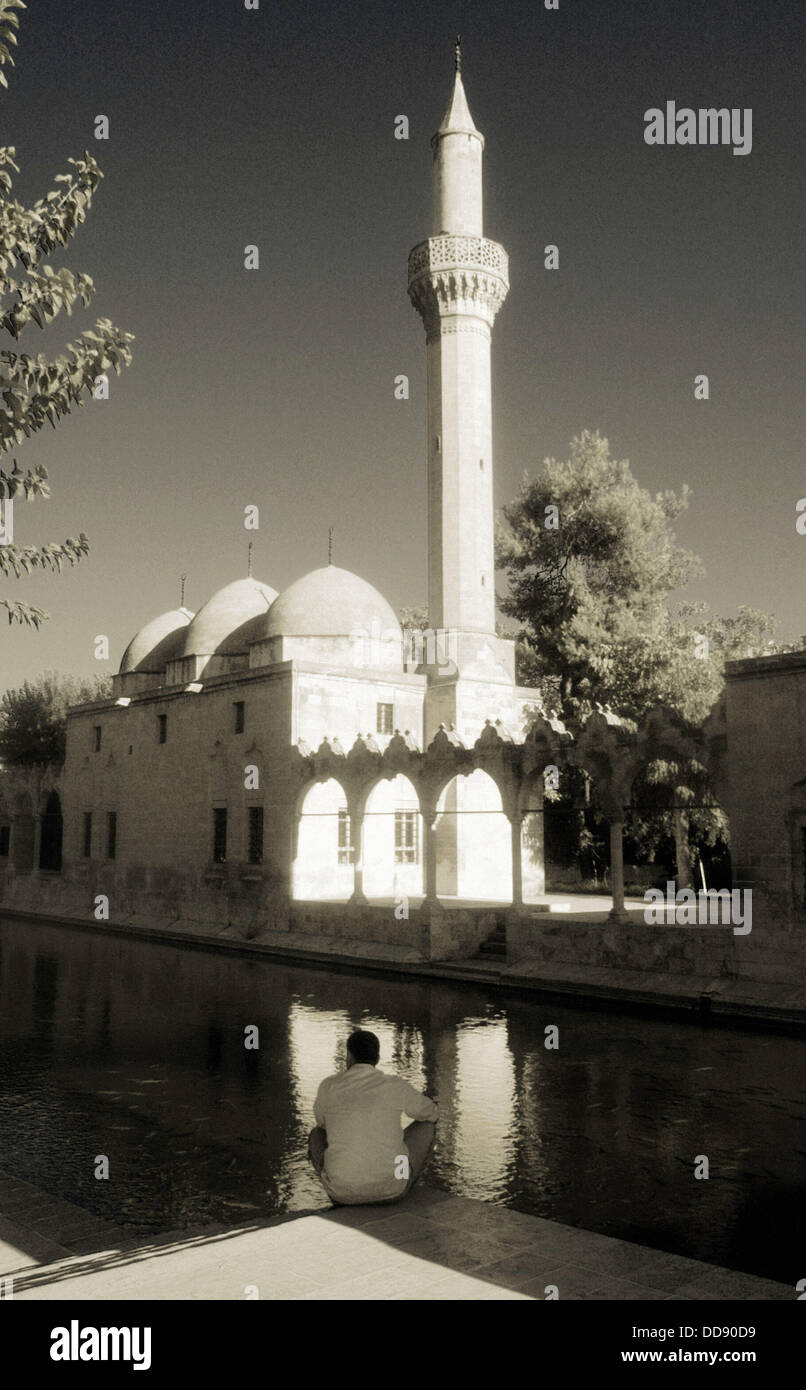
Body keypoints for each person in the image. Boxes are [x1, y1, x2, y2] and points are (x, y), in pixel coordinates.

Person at [308, 1028, 437, 1206]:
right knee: (427, 1125)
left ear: (349, 1057)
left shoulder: (328, 1085)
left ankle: (344, 1182)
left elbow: (321, 1124)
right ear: (377, 1058)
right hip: (392, 1190)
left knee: (316, 1134)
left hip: (340, 1193)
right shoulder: (395, 1085)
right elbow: (431, 1113)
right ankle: (398, 1179)